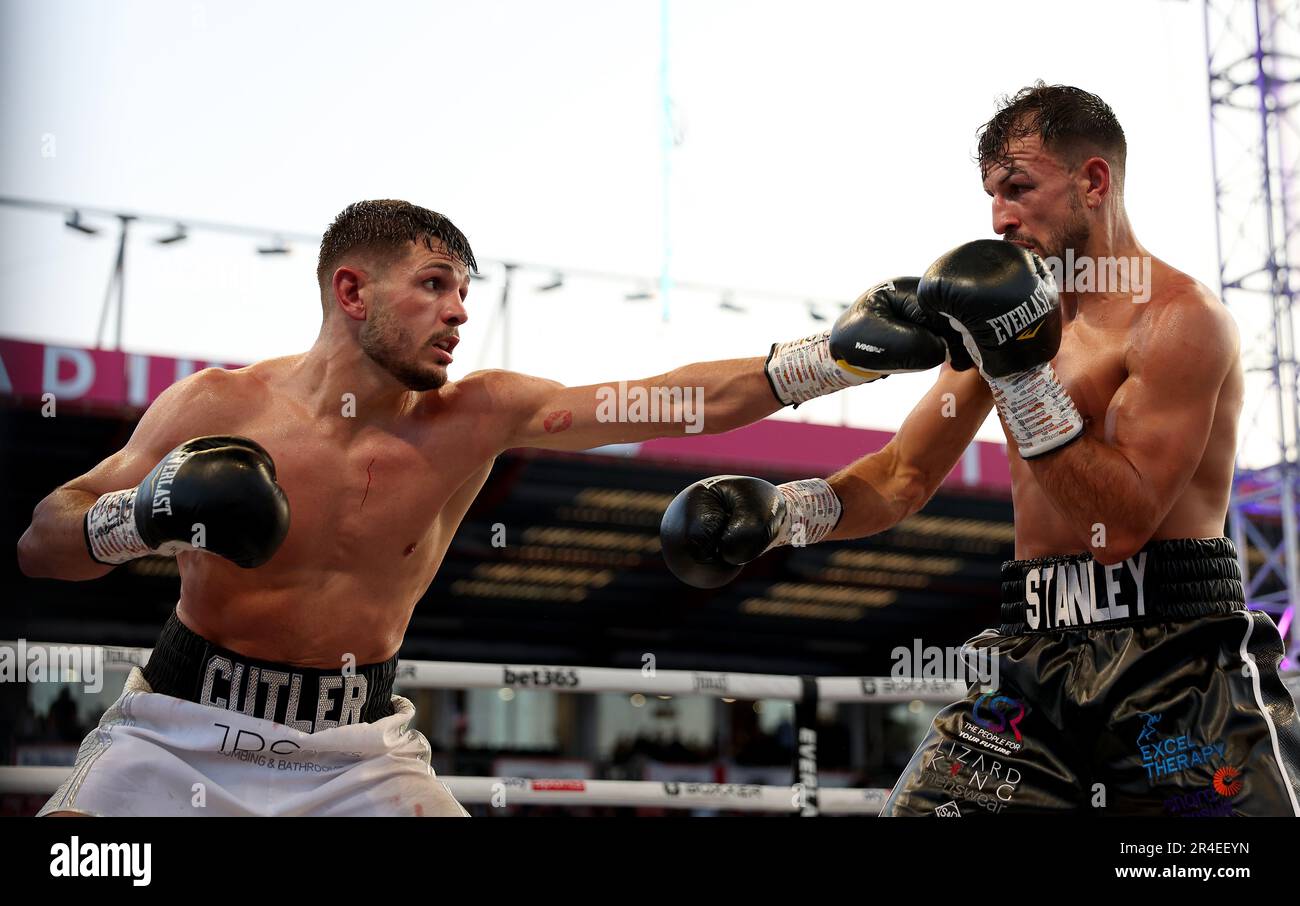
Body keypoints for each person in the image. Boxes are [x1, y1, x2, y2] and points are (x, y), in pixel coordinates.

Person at [16, 199, 945, 817]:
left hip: (354, 756)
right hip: (176, 732)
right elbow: (40, 541)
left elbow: (669, 400)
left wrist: (836, 355)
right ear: (352, 291)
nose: (459, 311)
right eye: (433, 285)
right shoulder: (216, 407)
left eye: (465, 291)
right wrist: (135, 517)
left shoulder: (479, 414)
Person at [660, 84, 1300, 816]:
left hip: (1180, 667)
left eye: (1019, 188)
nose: (1001, 217)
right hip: (1031, 659)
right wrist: (785, 512)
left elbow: (1120, 525)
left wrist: (1016, 371)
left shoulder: (1183, 322)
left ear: (1093, 181)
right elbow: (903, 475)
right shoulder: (997, 325)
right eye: (992, 194)